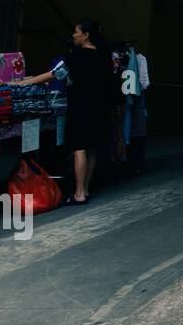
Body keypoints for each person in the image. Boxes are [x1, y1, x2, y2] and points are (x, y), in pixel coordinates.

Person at [18, 19, 114, 206]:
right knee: (91, 148)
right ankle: (85, 188)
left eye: (76, 32)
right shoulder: (104, 56)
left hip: (81, 106)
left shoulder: (76, 56)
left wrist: (23, 82)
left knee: (79, 148)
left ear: (85, 35)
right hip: (99, 107)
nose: (73, 35)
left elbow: (55, 74)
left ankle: (78, 194)